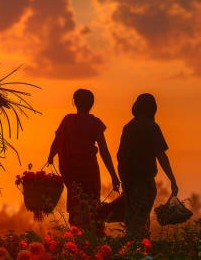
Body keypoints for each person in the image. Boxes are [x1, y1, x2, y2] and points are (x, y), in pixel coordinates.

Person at [47, 89, 120, 233]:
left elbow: (56, 142)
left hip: (72, 174)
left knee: (76, 206)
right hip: (90, 172)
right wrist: (113, 175)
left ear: (75, 103)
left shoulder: (67, 120)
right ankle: (94, 239)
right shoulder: (95, 122)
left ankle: (78, 239)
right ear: (92, 104)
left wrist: (51, 156)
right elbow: (104, 151)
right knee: (92, 206)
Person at [117, 93, 179, 239]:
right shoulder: (152, 127)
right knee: (139, 221)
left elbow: (120, 156)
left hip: (129, 181)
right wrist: (172, 179)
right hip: (144, 181)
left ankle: (136, 251)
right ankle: (137, 251)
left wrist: (123, 180)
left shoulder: (128, 127)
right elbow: (161, 155)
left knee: (134, 218)